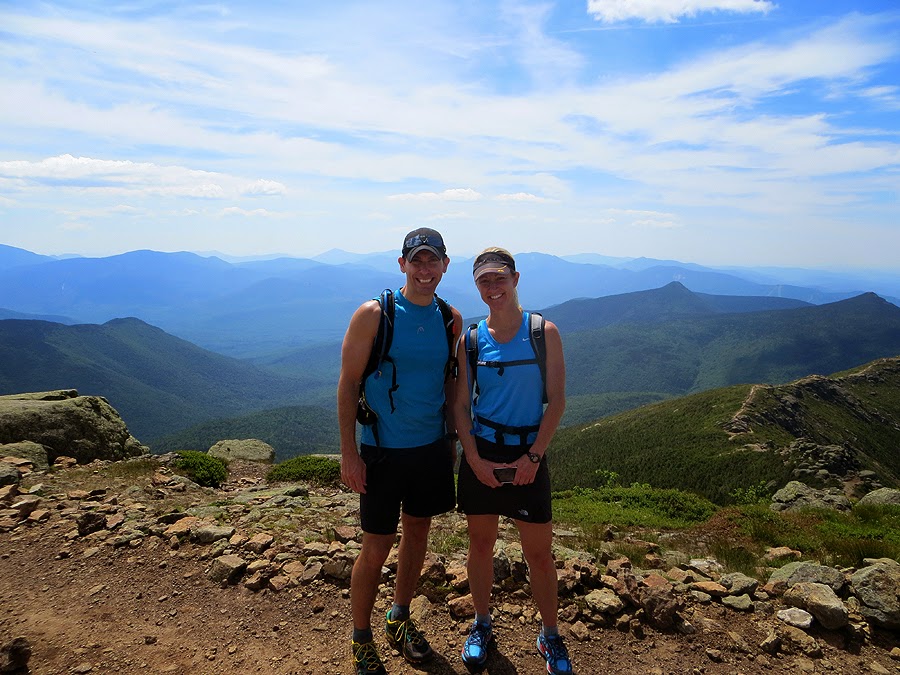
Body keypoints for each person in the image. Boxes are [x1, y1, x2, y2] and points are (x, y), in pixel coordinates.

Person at [337, 227, 462, 675]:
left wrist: (449, 440)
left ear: (445, 265)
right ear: (402, 264)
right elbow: (349, 382)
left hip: (429, 448)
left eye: (433, 261)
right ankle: (360, 637)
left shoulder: (451, 318)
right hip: (381, 450)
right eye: (417, 260)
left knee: (418, 533)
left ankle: (399, 616)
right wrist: (349, 453)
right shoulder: (375, 314)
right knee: (376, 545)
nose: (425, 269)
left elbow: (449, 383)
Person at [453, 247, 573, 675]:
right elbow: (461, 406)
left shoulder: (544, 332)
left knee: (539, 555)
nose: (493, 287)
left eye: (499, 278)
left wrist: (533, 457)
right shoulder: (470, 340)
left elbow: (556, 402)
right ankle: (481, 623)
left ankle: (550, 633)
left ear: (515, 278)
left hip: (529, 456)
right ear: (477, 285)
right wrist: (474, 459)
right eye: (484, 281)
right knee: (480, 545)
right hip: (482, 454)